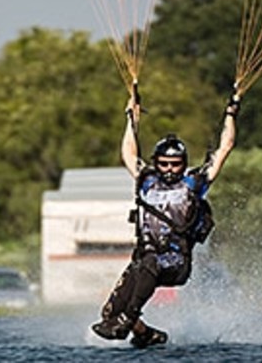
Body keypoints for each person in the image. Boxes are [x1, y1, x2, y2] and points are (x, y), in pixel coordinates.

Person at [90, 87, 239, 348]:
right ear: (156, 162)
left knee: (147, 269)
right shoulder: (146, 180)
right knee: (108, 317)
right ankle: (148, 334)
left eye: (176, 164)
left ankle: (130, 317)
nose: (169, 169)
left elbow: (225, 147)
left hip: (176, 261)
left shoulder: (194, 183)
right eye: (164, 163)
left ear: (184, 164)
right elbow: (129, 154)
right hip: (144, 259)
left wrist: (231, 113)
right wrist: (130, 117)